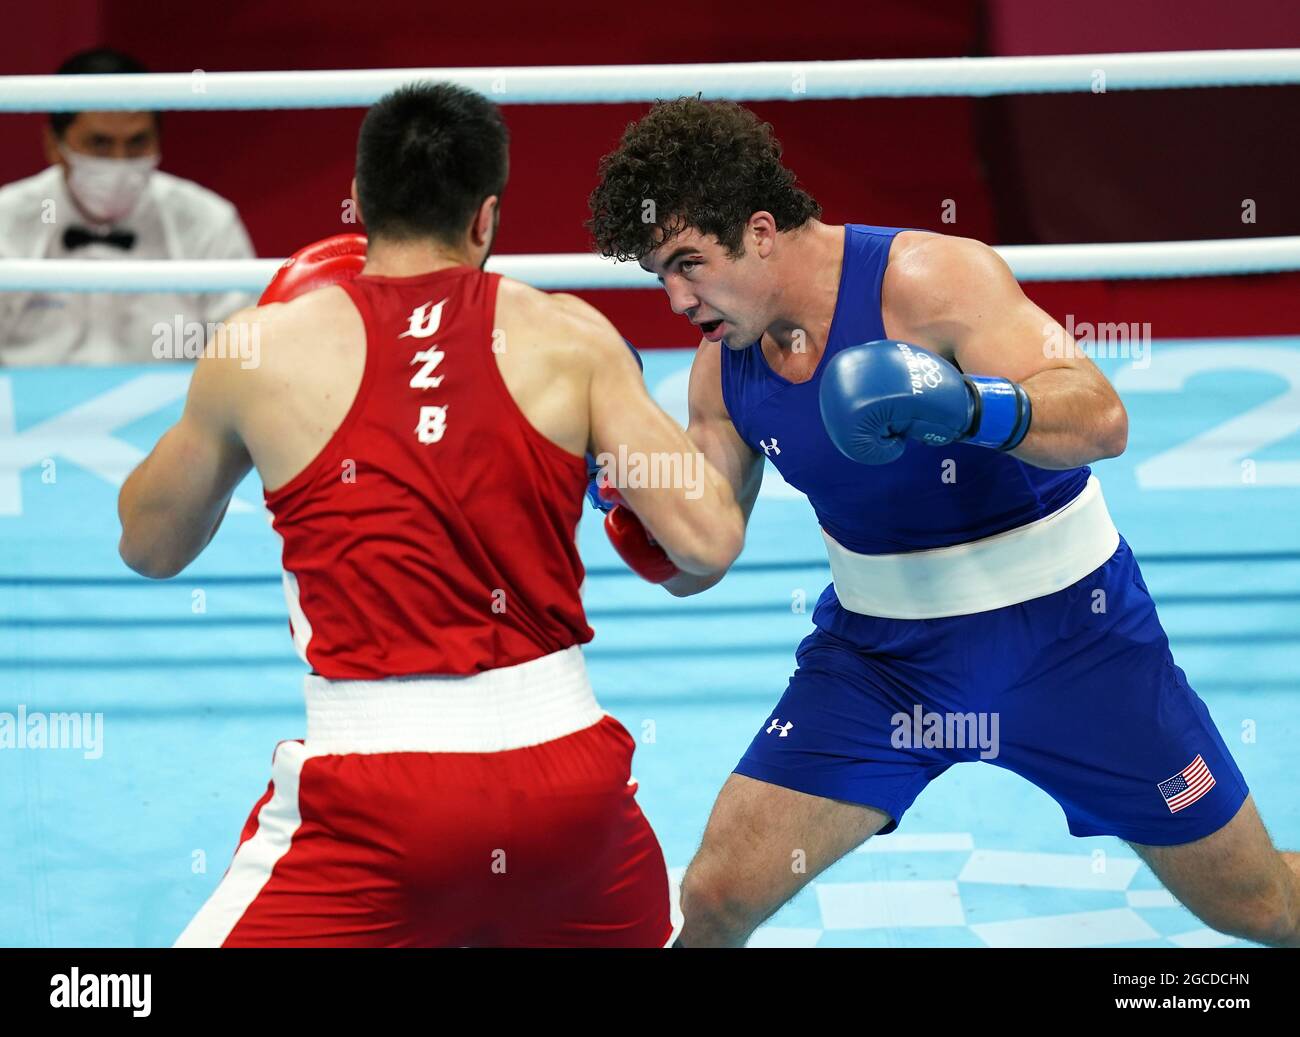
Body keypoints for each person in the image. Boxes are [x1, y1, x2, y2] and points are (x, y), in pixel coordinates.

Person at [587, 96, 1300, 948]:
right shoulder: (722, 373)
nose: (673, 299)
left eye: (688, 263)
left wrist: (967, 408)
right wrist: (624, 489)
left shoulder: (929, 280)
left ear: (762, 228)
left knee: (1262, 908)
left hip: (1072, 637)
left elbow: (1101, 418)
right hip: (882, 665)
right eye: (657, 273)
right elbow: (702, 558)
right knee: (716, 896)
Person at [117, 82, 743, 947]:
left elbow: (148, 545)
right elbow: (707, 543)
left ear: (362, 203)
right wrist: (610, 471)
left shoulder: (261, 351)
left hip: (370, 802)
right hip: (569, 785)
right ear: (486, 218)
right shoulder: (573, 339)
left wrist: (238, 406)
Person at [0, 47, 255, 366]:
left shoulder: (207, 221)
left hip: (174, 411)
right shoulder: (6, 220)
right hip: (22, 411)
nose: (119, 162)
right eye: (100, 143)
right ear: (54, 145)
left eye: (136, 142)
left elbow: (244, 351)